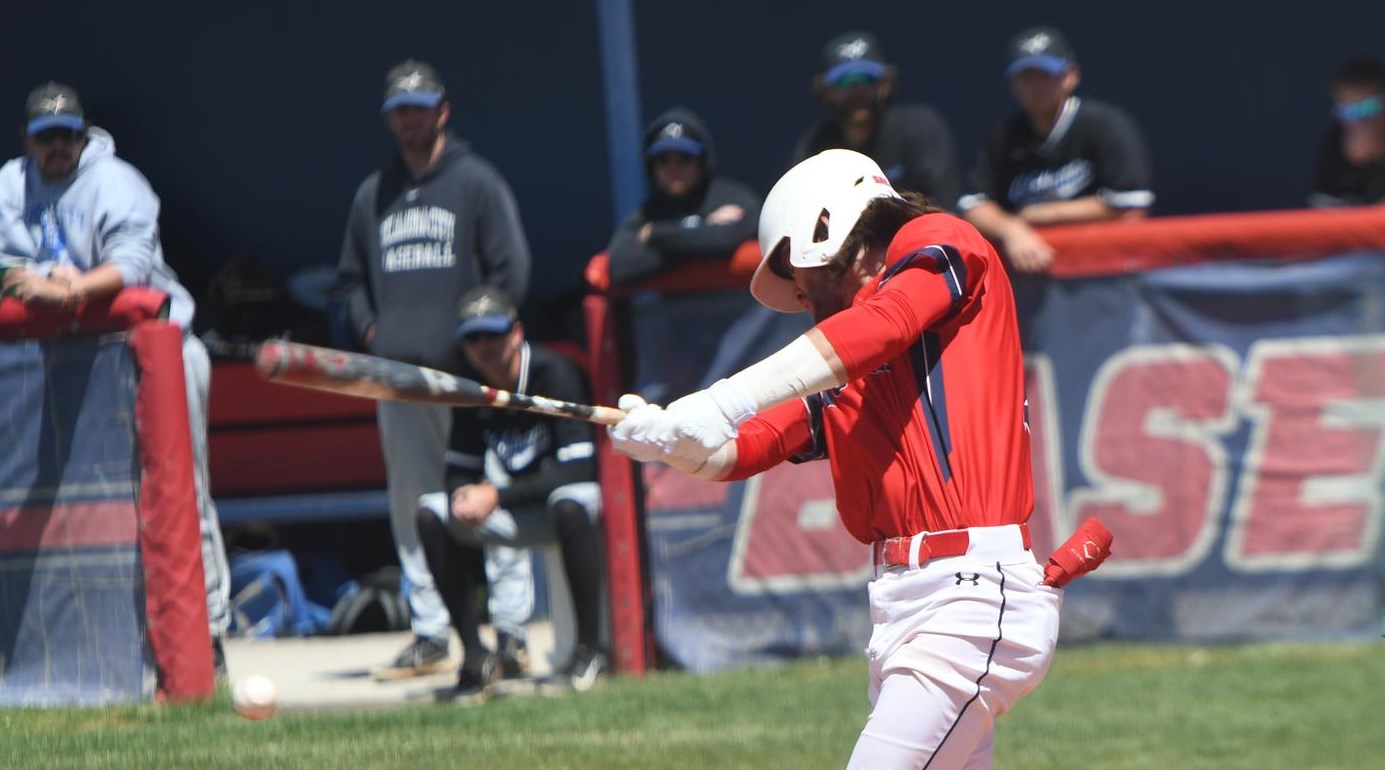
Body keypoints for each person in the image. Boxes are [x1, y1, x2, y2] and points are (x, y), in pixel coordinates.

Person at [608, 149, 1063, 769]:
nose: (797, 291)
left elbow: (886, 322)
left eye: (795, 266)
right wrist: (672, 443)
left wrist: (722, 400)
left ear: (832, 228)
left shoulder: (940, 239)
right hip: (906, 603)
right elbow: (755, 441)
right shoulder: (856, 365)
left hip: (971, 594)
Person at [0, 82, 232, 667]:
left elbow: (130, 267)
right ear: (27, 139)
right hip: (72, 361)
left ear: (83, 135)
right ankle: (90, 641)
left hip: (157, 354)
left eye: (67, 136)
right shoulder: (10, 185)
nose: (57, 147)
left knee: (179, 493)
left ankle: (208, 633)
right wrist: (27, 281)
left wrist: (65, 288)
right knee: (73, 503)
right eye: (46, 137)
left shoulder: (117, 182)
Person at [335, 59, 532, 680]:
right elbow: (349, 280)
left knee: (490, 494)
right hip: (400, 377)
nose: (409, 120)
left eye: (419, 108)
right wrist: (374, 332)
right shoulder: (374, 193)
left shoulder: (476, 182)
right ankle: (430, 631)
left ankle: (511, 630)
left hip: (469, 378)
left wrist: (486, 346)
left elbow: (511, 270)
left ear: (443, 111)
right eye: (399, 110)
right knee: (413, 503)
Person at [416, 285, 607, 704]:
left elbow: (577, 468)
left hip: (569, 510)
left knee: (570, 502)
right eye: (473, 337)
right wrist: (461, 496)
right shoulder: (471, 389)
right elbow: (459, 468)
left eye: (494, 334)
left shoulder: (555, 374)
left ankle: (590, 653)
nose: (484, 346)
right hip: (517, 508)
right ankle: (475, 658)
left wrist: (496, 496)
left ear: (517, 332)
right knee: (431, 513)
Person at [958, 26, 1154, 273]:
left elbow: (1131, 205)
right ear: (1013, 84)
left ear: (1071, 76)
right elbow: (973, 205)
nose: (1036, 86)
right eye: (1026, 77)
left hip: (1103, 271)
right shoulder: (1005, 136)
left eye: (1045, 75)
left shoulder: (1105, 126)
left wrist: (1042, 214)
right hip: (1031, 273)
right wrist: (1011, 229)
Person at [794, 31, 961, 210]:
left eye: (867, 78)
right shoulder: (815, 148)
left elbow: (942, 210)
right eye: (843, 81)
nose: (856, 91)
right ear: (824, 90)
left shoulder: (921, 128)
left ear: (886, 83)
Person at [605, 107, 760, 286]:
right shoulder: (648, 212)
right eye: (663, 159)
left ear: (701, 161)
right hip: (676, 304)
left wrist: (655, 235)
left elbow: (726, 239)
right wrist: (702, 234)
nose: (674, 168)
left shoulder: (732, 197)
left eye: (685, 158)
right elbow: (620, 266)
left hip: (738, 302)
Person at [1310, 57, 1385, 207]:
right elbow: (1323, 208)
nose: (1359, 120)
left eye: (1368, 107)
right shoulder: (1334, 142)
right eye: (1348, 111)